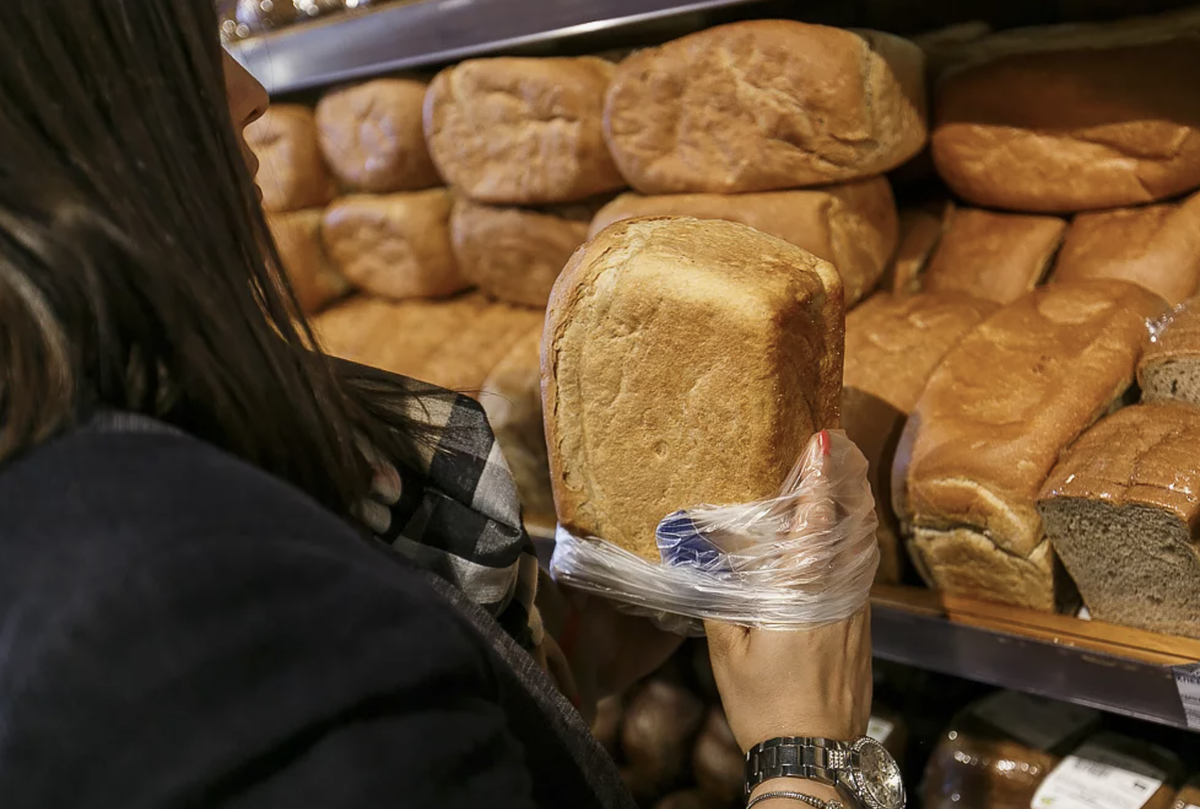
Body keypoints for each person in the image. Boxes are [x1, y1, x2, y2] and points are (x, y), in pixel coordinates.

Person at [0, 2, 874, 808]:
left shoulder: (137, 427)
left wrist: (569, 655)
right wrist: (807, 759)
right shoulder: (186, 594)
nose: (254, 92)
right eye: (185, 43)